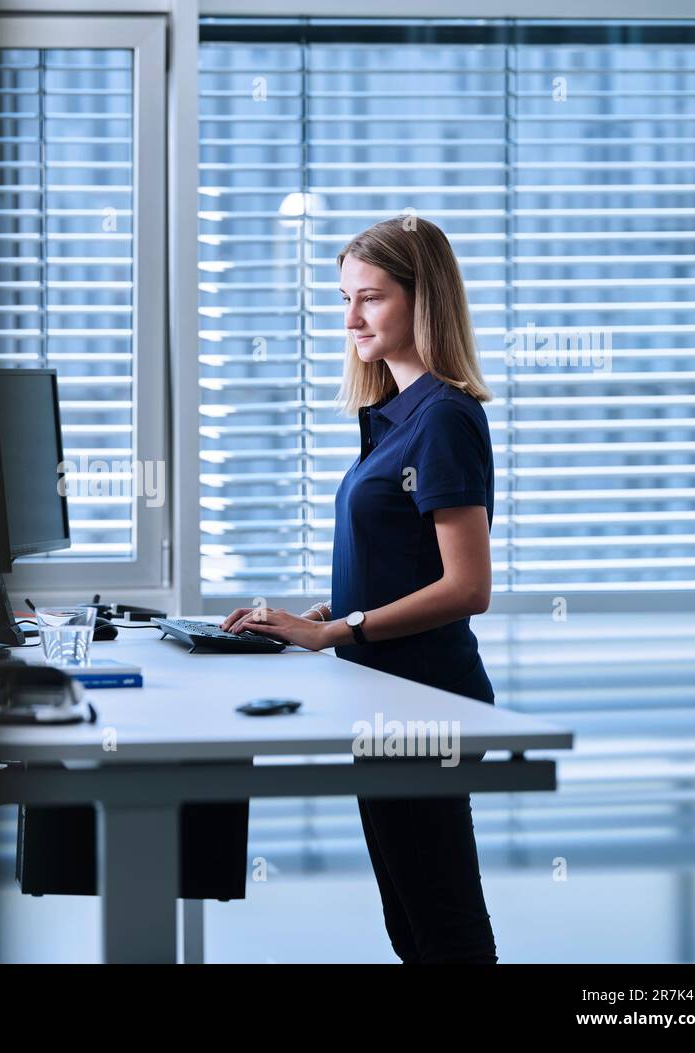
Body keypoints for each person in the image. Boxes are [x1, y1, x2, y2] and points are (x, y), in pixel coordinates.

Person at [222, 216, 499, 964]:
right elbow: (401, 557)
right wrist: (325, 611)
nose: (350, 319)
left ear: (423, 300)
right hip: (385, 701)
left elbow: (469, 586)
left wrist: (338, 629)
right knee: (413, 927)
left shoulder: (442, 418)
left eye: (369, 298)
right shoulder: (394, 416)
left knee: (445, 929)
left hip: (426, 702)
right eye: (346, 299)